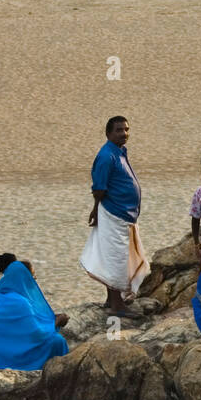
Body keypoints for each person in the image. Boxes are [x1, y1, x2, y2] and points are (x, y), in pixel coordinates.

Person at [80, 116, 150, 315]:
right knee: (116, 258)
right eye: (119, 130)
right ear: (108, 133)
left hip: (124, 214)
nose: (124, 133)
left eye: (126, 129)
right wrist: (95, 209)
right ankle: (117, 305)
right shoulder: (106, 156)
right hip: (113, 213)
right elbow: (99, 188)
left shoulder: (119, 152)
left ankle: (111, 300)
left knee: (115, 256)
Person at [0, 254, 70, 373]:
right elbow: (37, 334)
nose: (34, 280)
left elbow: (27, 322)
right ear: (23, 277)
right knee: (57, 341)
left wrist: (52, 318)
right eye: (32, 276)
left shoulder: (2, 295)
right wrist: (58, 321)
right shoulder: (19, 302)